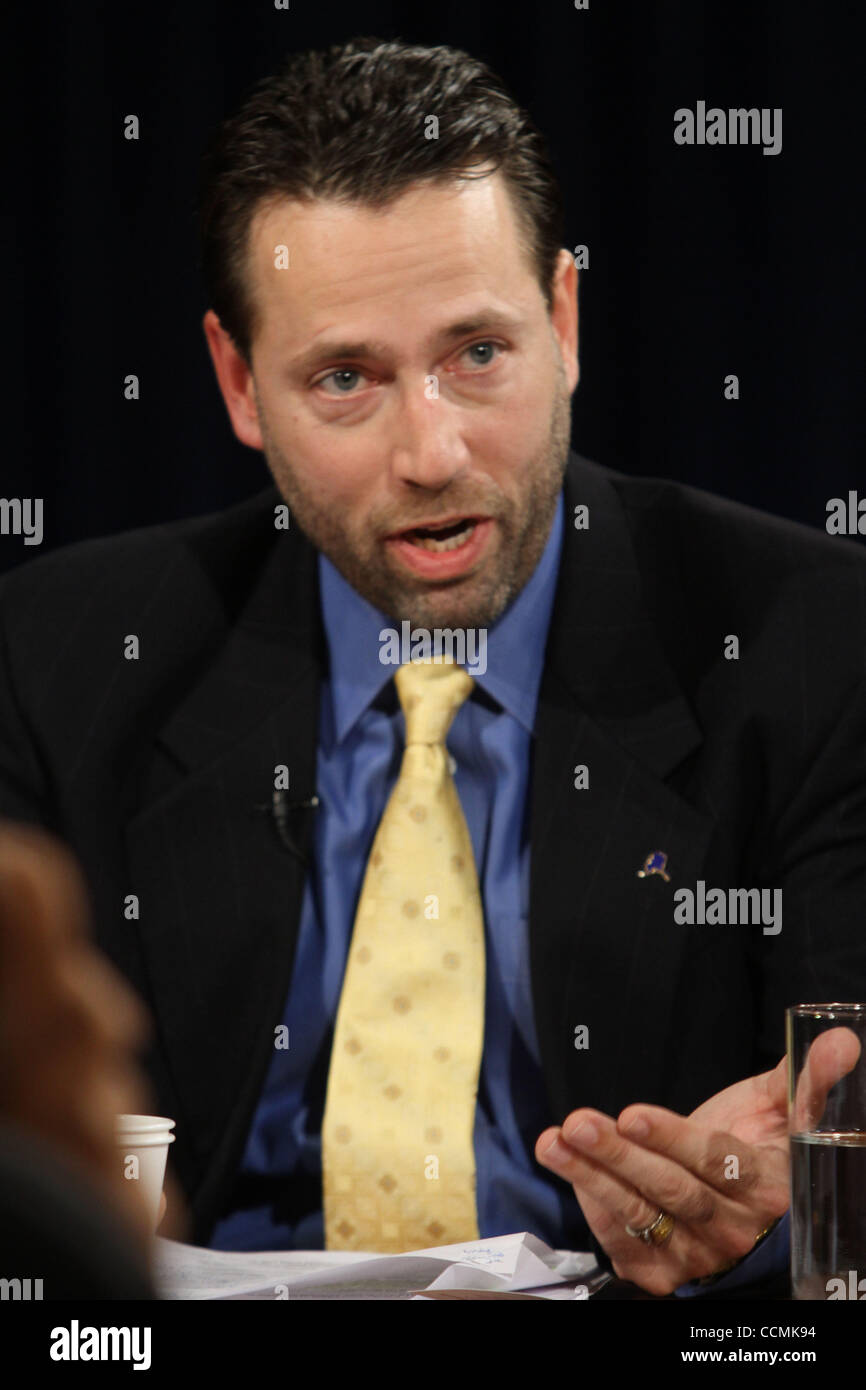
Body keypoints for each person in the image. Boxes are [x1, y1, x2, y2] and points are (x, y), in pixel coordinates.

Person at [0, 36, 864, 1299]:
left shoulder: (808, 642)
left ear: (562, 322)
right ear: (240, 384)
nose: (431, 450)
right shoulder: (58, 653)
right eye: (345, 378)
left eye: (477, 354)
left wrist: (783, 1220)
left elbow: (840, 1105)